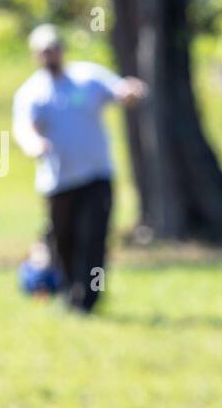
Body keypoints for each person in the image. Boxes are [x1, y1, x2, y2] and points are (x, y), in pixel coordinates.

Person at [12, 24, 147, 312]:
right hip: (59, 180)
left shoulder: (87, 77)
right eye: (44, 52)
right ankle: (67, 291)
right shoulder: (33, 92)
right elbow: (25, 127)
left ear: (62, 49)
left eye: (54, 49)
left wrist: (130, 92)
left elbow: (119, 90)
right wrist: (34, 144)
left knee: (94, 237)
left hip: (97, 174)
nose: (50, 55)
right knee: (64, 241)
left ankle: (89, 298)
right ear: (36, 55)